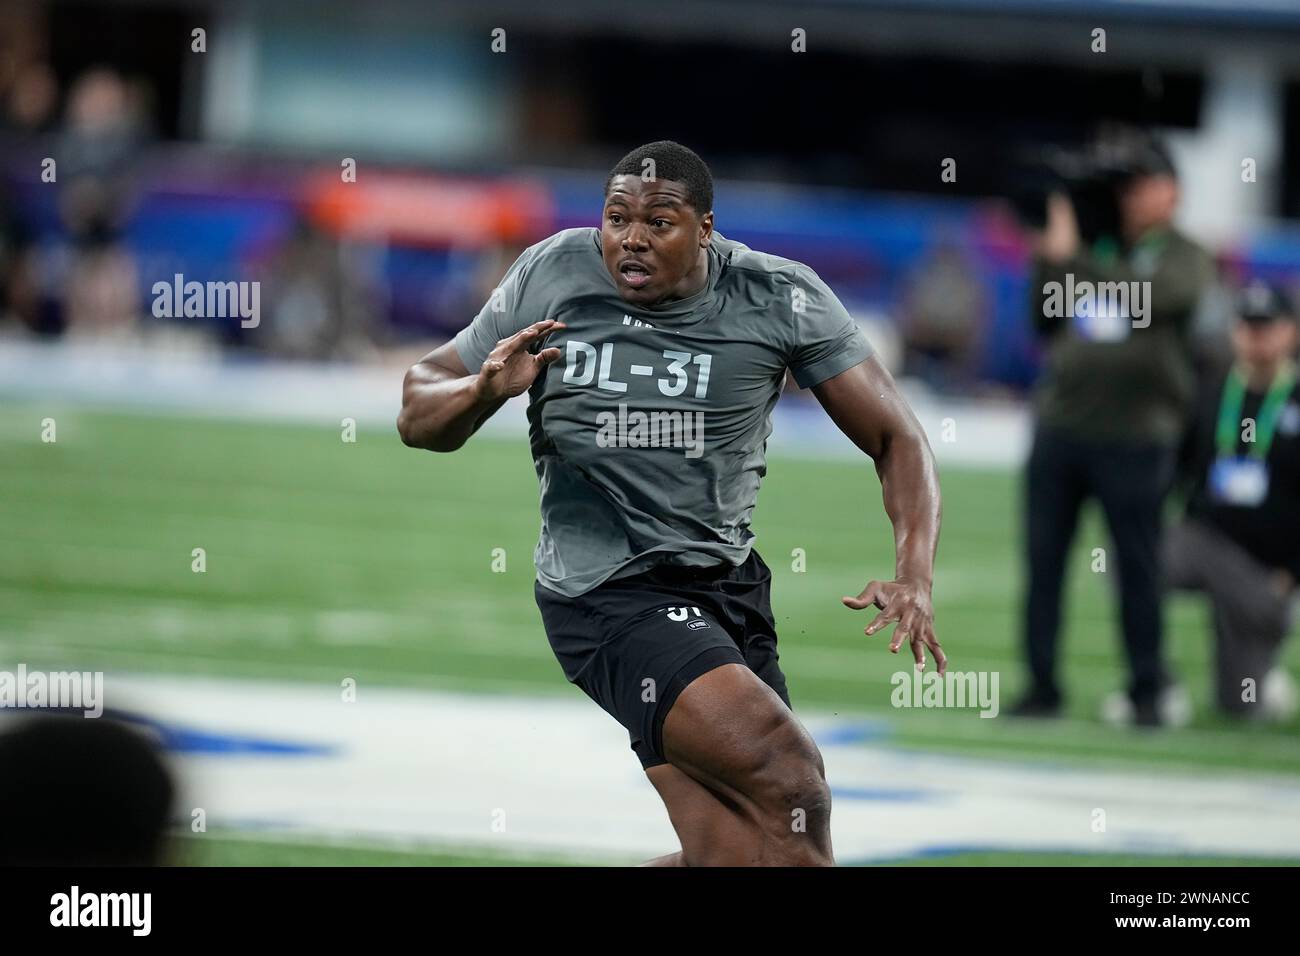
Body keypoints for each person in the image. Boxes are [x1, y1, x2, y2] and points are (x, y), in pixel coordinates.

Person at [398, 141, 943, 866]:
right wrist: (483, 391)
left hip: (727, 586)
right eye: (617, 217)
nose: (632, 237)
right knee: (791, 780)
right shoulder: (555, 269)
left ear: (706, 230)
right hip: (608, 593)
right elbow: (416, 409)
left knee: (761, 852)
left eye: (660, 221)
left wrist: (914, 573)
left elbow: (897, 435)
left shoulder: (778, 296)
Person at [1014, 135, 1215, 726]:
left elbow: (1147, 297)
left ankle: (1148, 689)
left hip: (1138, 435)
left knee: (1138, 567)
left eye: (1140, 184)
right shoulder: (1088, 246)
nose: (1127, 197)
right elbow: (1042, 315)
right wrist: (1054, 251)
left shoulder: (1184, 255)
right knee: (1044, 562)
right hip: (1061, 428)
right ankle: (1042, 686)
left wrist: (1070, 260)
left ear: (1171, 192)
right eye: (1121, 187)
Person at [1164, 281, 1300, 721]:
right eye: (1247, 324)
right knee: (1133, 559)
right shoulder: (1209, 391)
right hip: (1205, 540)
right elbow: (1177, 472)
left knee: (1239, 705)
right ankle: (1152, 684)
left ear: (1290, 332)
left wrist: (1292, 574)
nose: (1256, 335)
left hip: (1265, 569)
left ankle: (1260, 669)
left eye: (1267, 325)